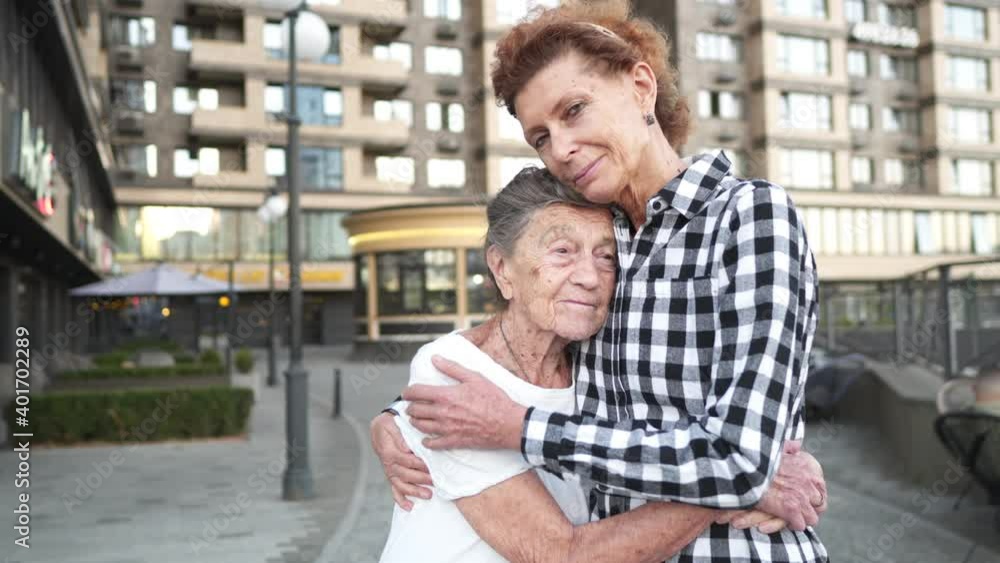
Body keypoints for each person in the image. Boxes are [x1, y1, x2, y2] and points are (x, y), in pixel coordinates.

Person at [374, 1, 829, 561]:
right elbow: (523, 351)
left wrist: (520, 428)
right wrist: (400, 419)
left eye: (575, 110)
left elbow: (739, 460)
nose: (560, 149)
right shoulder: (607, 238)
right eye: (540, 137)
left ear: (641, 87)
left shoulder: (748, 218)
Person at [379, 167, 806, 563]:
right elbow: (563, 554)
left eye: (606, 257)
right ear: (501, 267)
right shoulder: (451, 369)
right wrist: (741, 482)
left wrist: (752, 458)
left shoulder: (594, 363)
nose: (590, 276)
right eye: (562, 251)